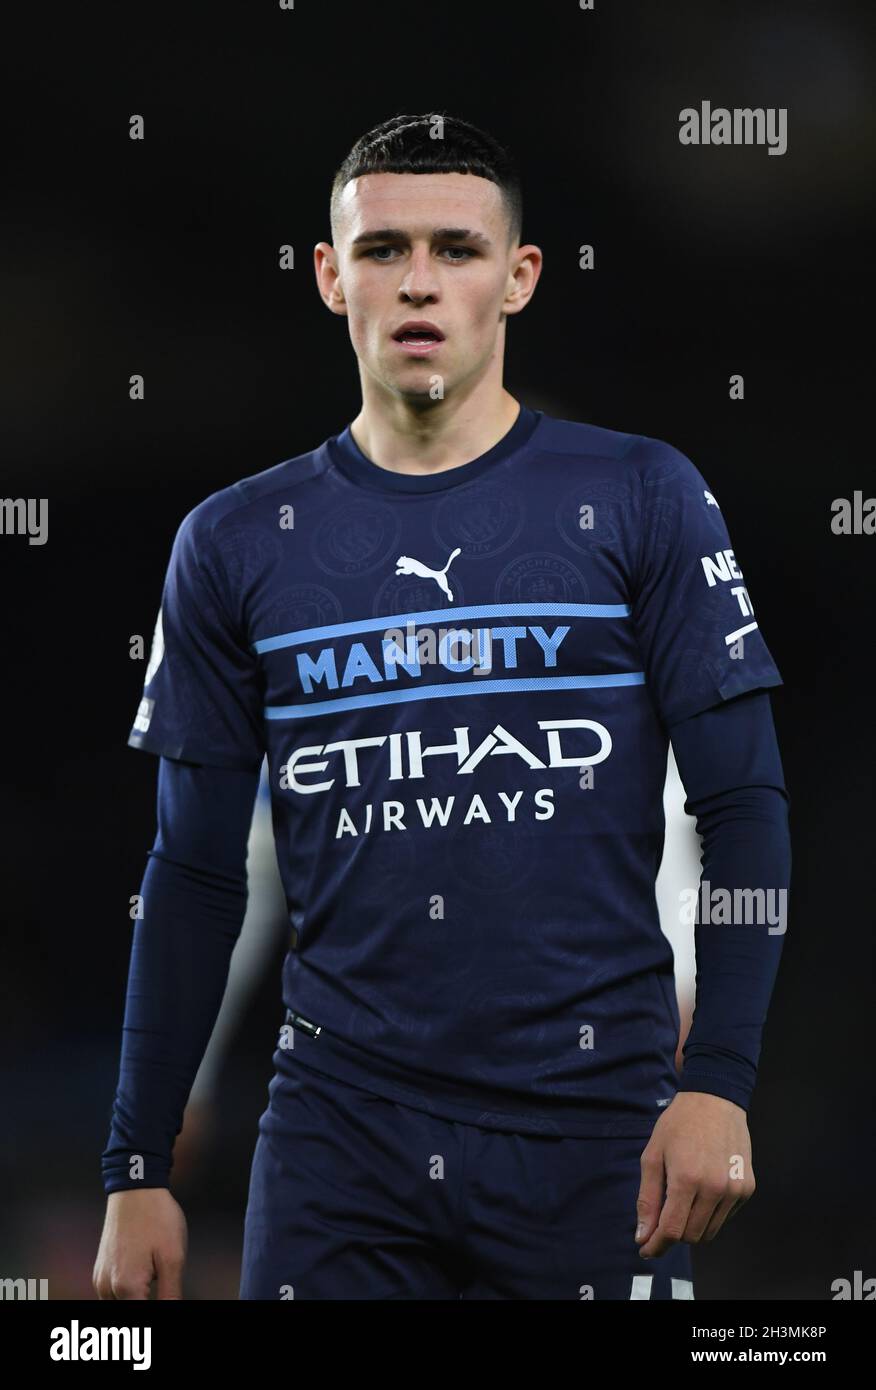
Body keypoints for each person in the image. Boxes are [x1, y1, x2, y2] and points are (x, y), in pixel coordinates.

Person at [94, 112, 791, 1301]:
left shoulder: (642, 496)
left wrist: (718, 1078)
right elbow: (199, 871)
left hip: (593, 1136)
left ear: (519, 276)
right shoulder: (234, 543)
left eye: (458, 250)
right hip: (337, 1143)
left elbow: (744, 803)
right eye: (382, 249)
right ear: (329, 275)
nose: (419, 281)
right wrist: (137, 1160)